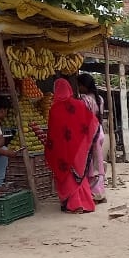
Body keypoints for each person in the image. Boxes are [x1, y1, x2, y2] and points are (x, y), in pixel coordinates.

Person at [45, 77, 99, 213]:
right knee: (79, 175)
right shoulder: (79, 105)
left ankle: (73, 204)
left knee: (67, 175)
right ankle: (84, 203)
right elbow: (93, 122)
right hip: (78, 148)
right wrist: (86, 142)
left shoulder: (54, 109)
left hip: (62, 149)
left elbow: (52, 132)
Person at [76, 73, 107, 203]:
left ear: (84, 86)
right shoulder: (99, 98)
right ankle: (100, 193)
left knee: (89, 165)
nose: (78, 88)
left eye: (79, 85)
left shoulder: (85, 100)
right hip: (99, 131)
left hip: (90, 134)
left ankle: (93, 194)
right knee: (98, 163)